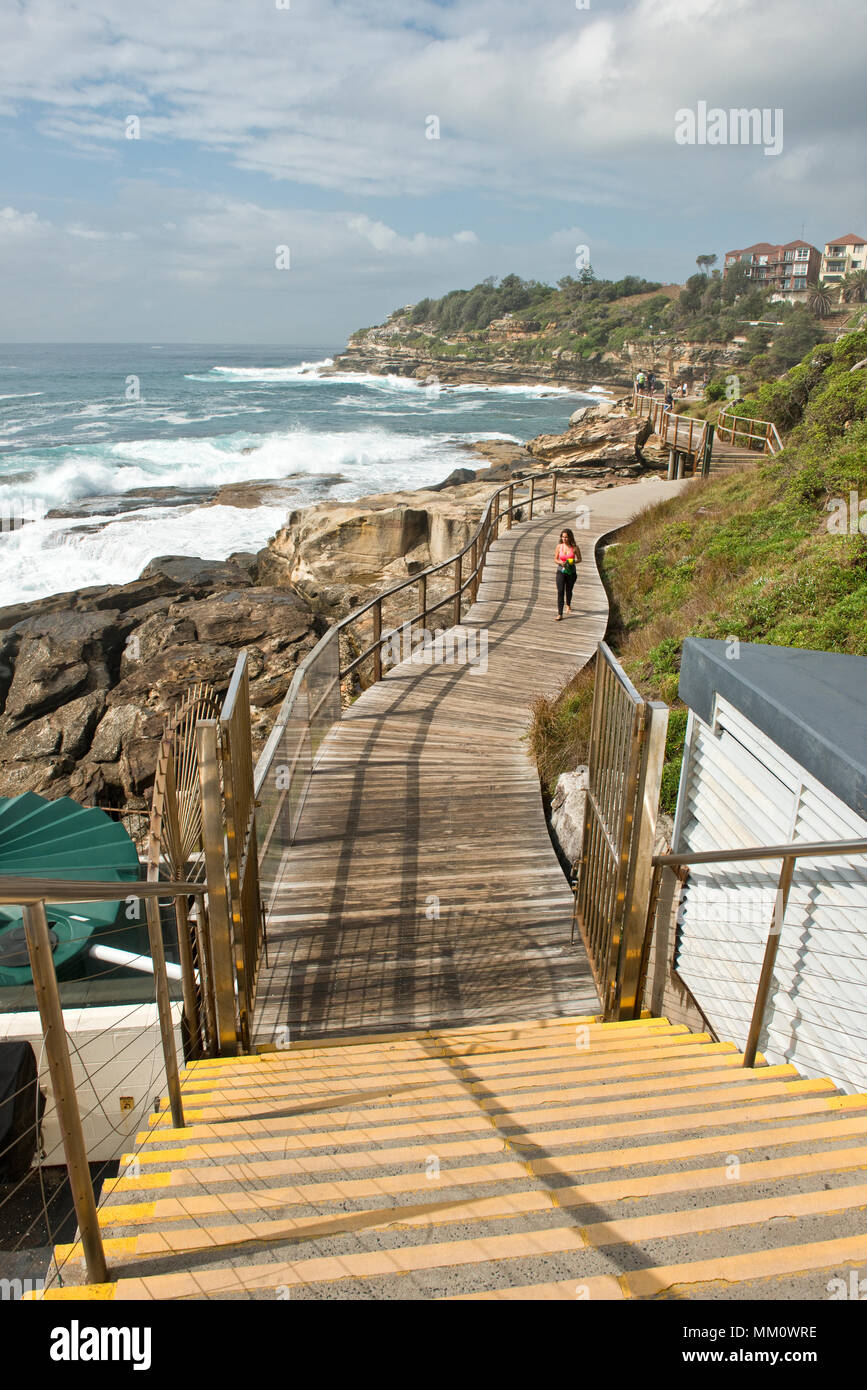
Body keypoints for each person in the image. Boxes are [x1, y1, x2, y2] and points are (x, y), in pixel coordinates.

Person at [554, 528, 580, 620]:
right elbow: (555, 559)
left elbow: (580, 559)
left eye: (566, 537)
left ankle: (568, 604)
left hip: (571, 572)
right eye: (563, 537)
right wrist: (560, 563)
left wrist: (572, 561)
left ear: (570, 538)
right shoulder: (559, 547)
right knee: (560, 591)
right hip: (560, 571)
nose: (564, 539)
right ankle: (560, 614)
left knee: (569, 590)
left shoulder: (575, 548)